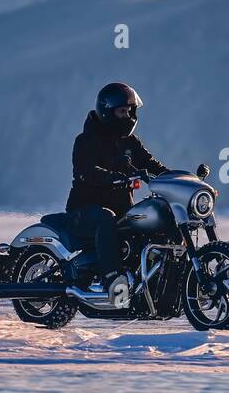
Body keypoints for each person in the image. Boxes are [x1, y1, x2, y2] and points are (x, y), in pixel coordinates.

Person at [65, 82, 169, 291]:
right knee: (106, 218)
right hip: (84, 210)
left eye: (130, 110)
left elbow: (150, 163)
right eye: (123, 111)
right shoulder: (86, 140)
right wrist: (115, 177)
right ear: (107, 112)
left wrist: (175, 177)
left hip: (121, 208)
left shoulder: (130, 142)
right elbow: (86, 171)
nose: (128, 116)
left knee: (153, 220)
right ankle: (112, 279)